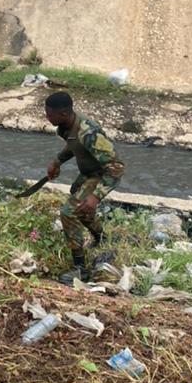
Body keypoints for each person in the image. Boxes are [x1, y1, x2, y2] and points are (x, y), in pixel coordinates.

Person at [44, 91, 125, 284]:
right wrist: (57, 162)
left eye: (49, 113)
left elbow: (116, 167)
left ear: (63, 114)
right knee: (78, 202)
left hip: (101, 175)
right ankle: (102, 238)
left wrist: (96, 196)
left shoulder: (89, 133)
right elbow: (73, 146)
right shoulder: (64, 127)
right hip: (88, 174)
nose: (47, 117)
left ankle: (80, 269)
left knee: (68, 212)